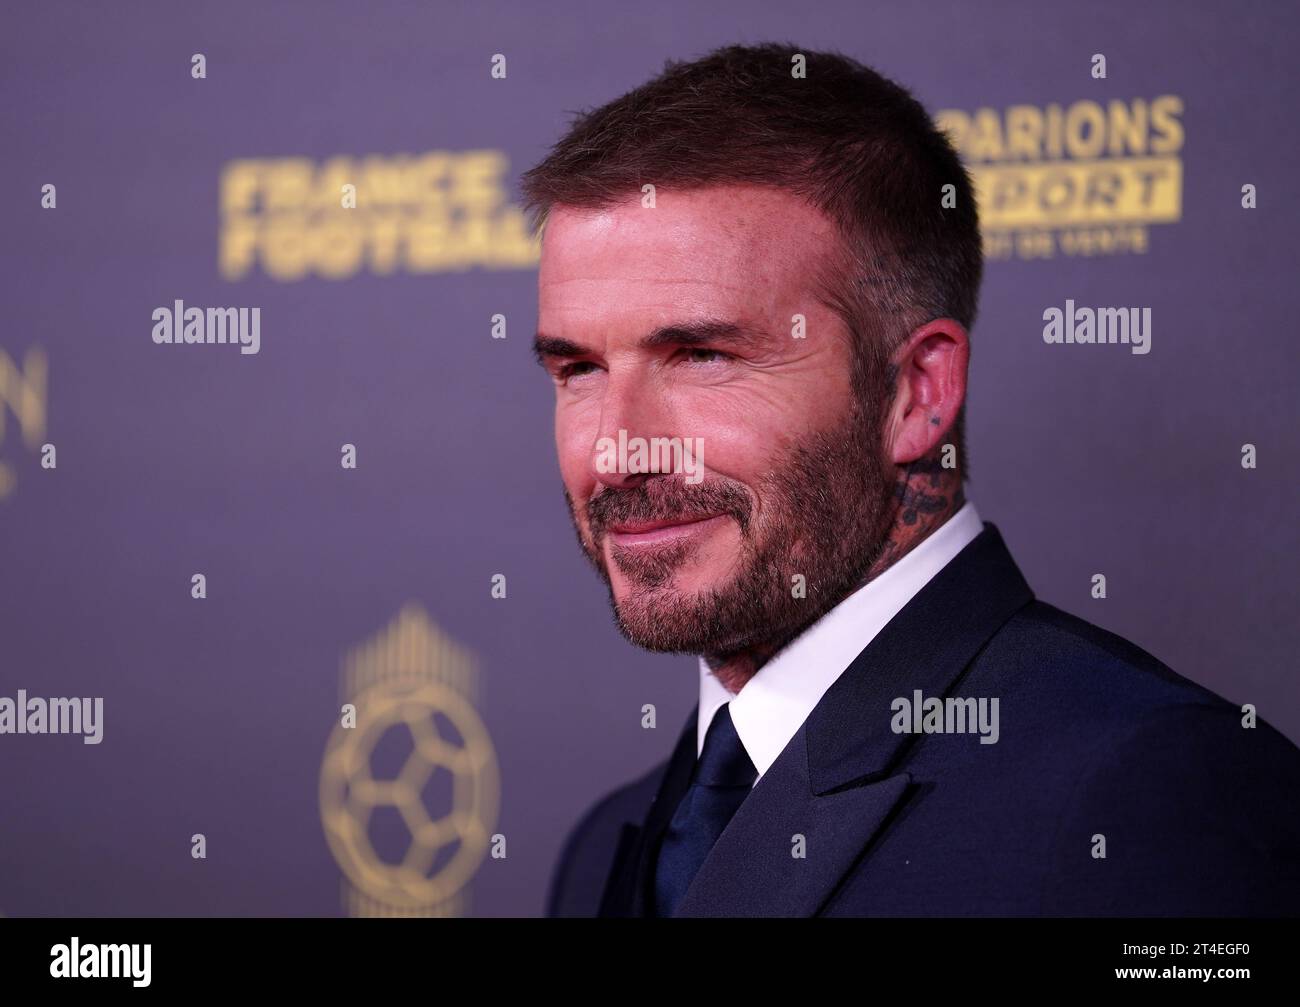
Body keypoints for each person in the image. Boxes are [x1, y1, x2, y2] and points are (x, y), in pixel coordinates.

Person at [523, 42, 1300, 916]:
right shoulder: (603, 849)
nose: (617, 452)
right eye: (579, 369)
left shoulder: (1151, 801)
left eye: (702, 356)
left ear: (917, 392)